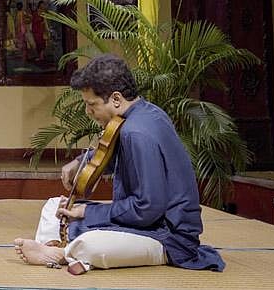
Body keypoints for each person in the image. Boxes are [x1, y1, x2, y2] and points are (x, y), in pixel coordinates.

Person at [13, 54, 225, 274]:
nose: (88, 112)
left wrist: (86, 212)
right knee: (54, 206)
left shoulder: (136, 133)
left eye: (91, 104)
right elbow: (113, 158)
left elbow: (147, 209)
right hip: (145, 222)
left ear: (116, 99)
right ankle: (59, 247)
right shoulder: (146, 113)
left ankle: (60, 253)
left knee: (93, 244)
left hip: (167, 235)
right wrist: (79, 162)